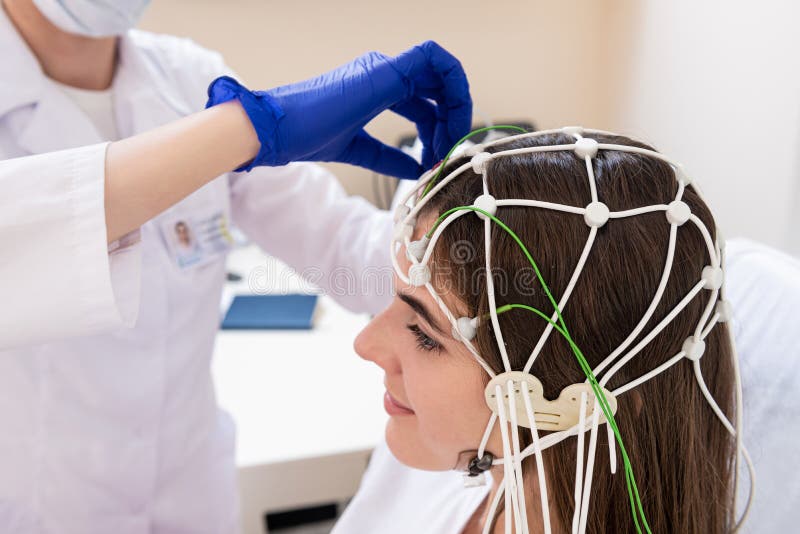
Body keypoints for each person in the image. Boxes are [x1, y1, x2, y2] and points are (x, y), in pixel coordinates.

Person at [0, 1, 469, 532]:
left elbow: (350, 251)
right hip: (42, 506)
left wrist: (472, 221)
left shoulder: (187, 78)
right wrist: (247, 128)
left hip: (190, 493)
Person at [351, 130, 742, 532]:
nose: (365, 345)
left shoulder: (434, 439)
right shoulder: (433, 462)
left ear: (581, 405)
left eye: (424, 335)